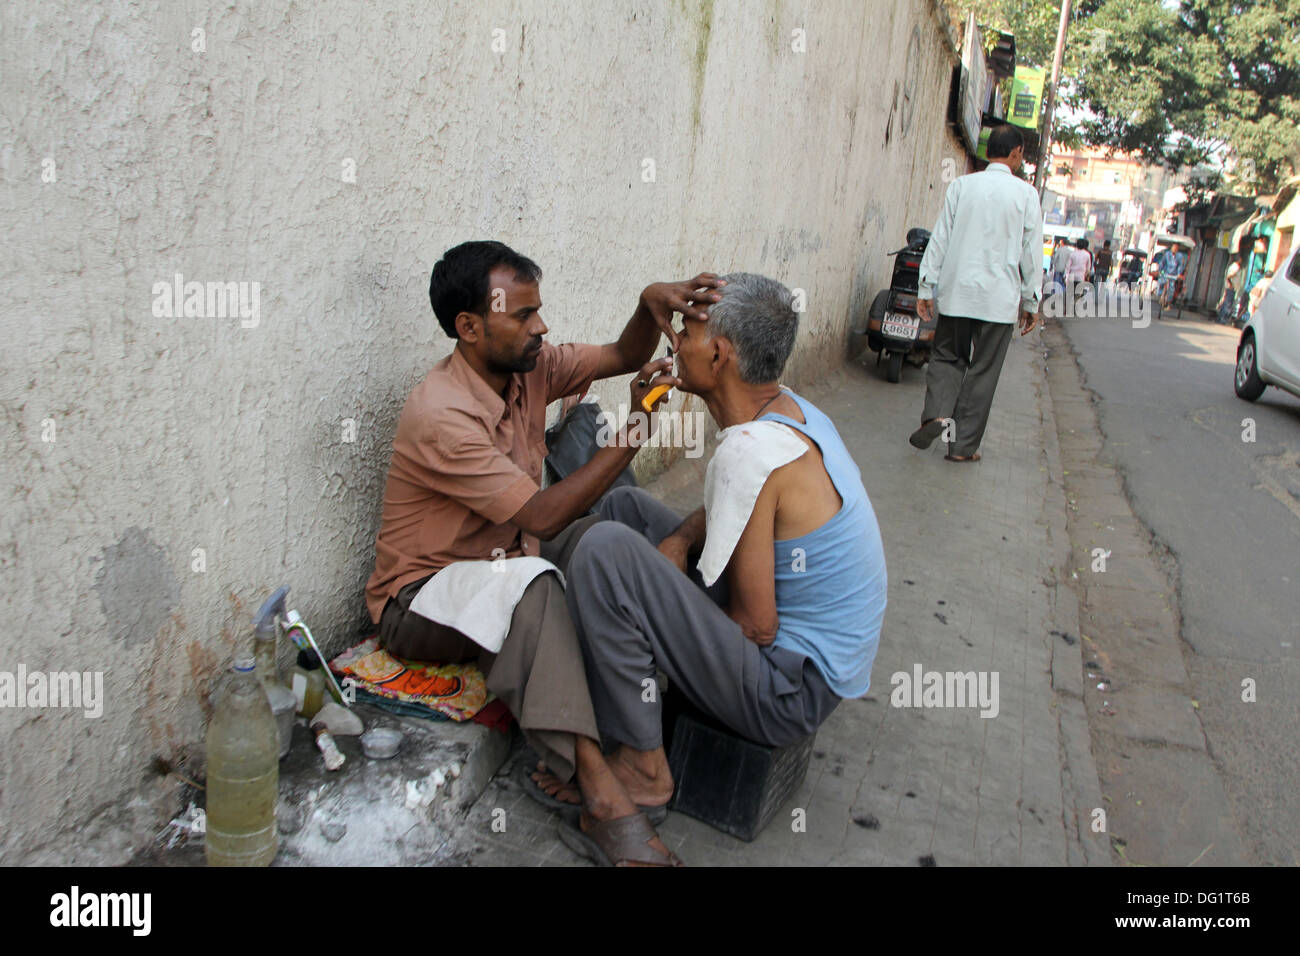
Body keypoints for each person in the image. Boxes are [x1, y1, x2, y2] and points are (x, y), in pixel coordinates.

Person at [365, 240, 726, 866]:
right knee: (536, 584)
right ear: (470, 327)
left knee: (605, 540)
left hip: (505, 556)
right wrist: (635, 428)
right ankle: (601, 793)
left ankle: (683, 684)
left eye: (539, 310)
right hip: (423, 597)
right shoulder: (442, 413)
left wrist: (648, 302)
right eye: (525, 315)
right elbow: (543, 513)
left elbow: (623, 354)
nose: (543, 327)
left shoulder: (526, 365)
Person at [543, 272, 887, 865]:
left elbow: (755, 628)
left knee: (604, 552)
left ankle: (645, 770)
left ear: (720, 355)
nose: (676, 343)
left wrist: (666, 621)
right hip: (809, 665)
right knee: (623, 509)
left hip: (788, 689)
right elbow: (750, 503)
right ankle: (637, 692)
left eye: (688, 333)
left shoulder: (747, 452)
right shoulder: (789, 411)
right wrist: (677, 545)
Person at [907, 124, 1043, 463]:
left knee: (947, 358)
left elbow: (939, 239)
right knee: (982, 373)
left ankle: (937, 413)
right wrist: (1031, 300)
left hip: (957, 295)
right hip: (999, 301)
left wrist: (926, 286)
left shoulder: (962, 187)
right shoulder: (1026, 195)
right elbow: (1031, 253)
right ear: (1016, 154)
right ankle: (962, 447)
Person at [1065, 237, 1093, 304]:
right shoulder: (1087, 255)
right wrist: (1086, 275)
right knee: (1077, 293)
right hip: (1081, 276)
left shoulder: (1072, 254)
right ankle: (1075, 305)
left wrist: (1066, 276)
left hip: (1071, 275)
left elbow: (1067, 266)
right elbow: (1088, 267)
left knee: (1069, 293)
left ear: (1077, 245)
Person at [1218, 259, 1242, 325]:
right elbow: (1230, 276)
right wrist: (1231, 284)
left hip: (1229, 287)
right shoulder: (1236, 267)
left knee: (1225, 303)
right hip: (1231, 288)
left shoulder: (1232, 266)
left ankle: (1220, 319)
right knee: (1228, 304)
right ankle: (1223, 320)